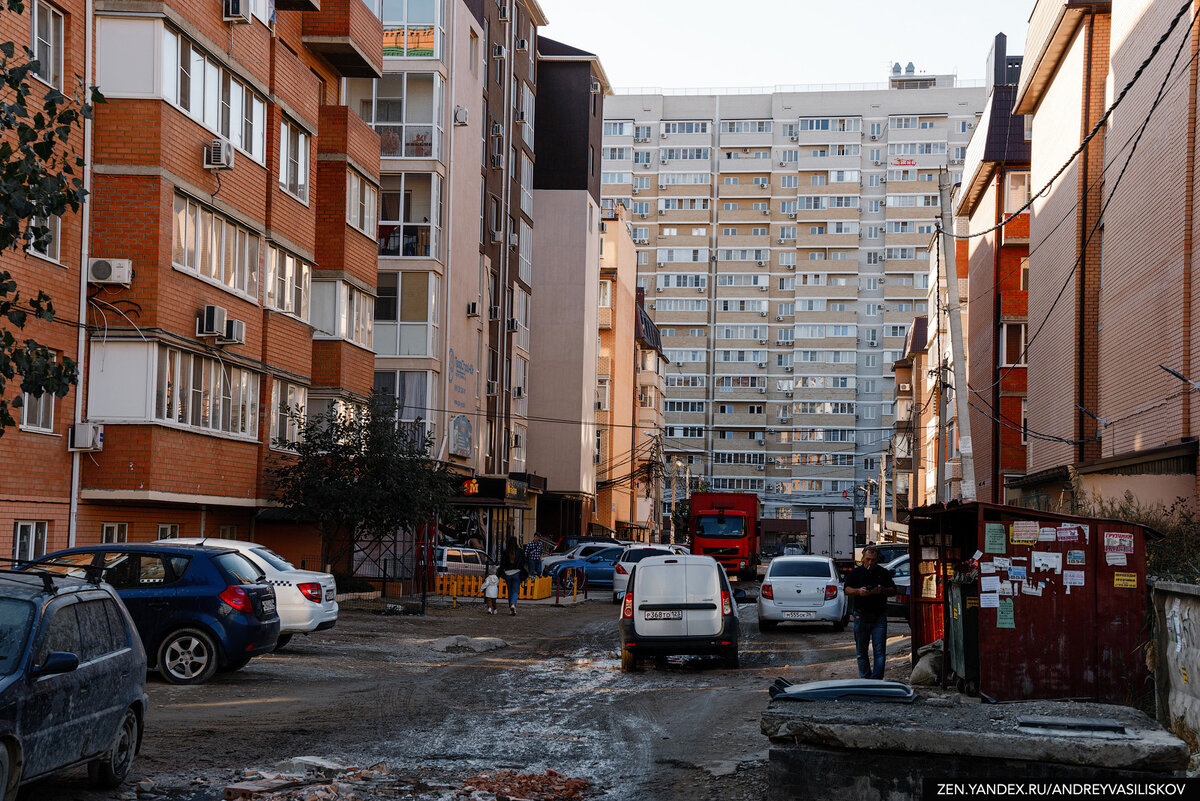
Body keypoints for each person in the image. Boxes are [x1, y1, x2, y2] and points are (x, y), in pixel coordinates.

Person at [844, 545, 897, 680]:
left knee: (879, 651)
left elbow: (893, 590)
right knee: (861, 651)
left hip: (879, 616)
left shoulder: (883, 573)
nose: (870, 563)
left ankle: (876, 680)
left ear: (877, 559)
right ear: (862, 558)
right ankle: (865, 678)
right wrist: (858, 591)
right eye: (868, 559)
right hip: (861, 615)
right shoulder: (856, 573)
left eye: (873, 560)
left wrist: (882, 590)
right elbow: (846, 589)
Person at [498, 536, 528, 616]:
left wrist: (502, 573)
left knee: (510, 591)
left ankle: (511, 607)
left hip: (507, 573)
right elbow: (524, 561)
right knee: (515, 591)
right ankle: (513, 604)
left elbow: (502, 564)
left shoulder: (505, 552)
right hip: (517, 573)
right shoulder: (520, 551)